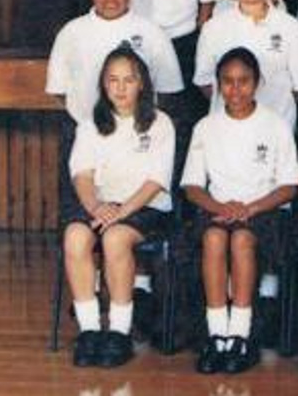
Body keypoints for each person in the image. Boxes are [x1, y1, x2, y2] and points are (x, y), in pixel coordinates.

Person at [183, 48, 298, 374]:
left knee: (241, 241)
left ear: (258, 83)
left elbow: (289, 185)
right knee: (215, 239)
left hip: (264, 212)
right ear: (218, 85)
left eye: (243, 81)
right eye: (228, 82)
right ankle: (216, 334)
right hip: (216, 210)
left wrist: (251, 208)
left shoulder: (275, 125)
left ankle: (240, 334)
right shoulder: (206, 126)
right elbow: (192, 186)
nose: (236, 90)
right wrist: (221, 208)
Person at [61, 46, 176, 368]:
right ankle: (90, 331)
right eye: (113, 80)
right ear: (103, 84)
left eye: (129, 80)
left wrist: (120, 212)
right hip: (100, 205)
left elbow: (156, 181)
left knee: (114, 239)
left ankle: (119, 332)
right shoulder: (90, 124)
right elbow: (82, 174)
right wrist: (96, 207)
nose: (121, 88)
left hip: (144, 207)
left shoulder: (160, 123)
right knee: (75, 236)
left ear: (142, 84)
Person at [46, 0, 184, 129]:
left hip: (136, 131)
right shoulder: (71, 32)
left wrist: (138, 121)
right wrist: (88, 122)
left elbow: (167, 89)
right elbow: (59, 89)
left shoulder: (152, 33)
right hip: (84, 130)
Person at [194, 0, 298, 129]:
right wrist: (237, 106)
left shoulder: (291, 28)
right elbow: (205, 83)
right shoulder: (214, 28)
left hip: (276, 127)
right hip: (226, 128)